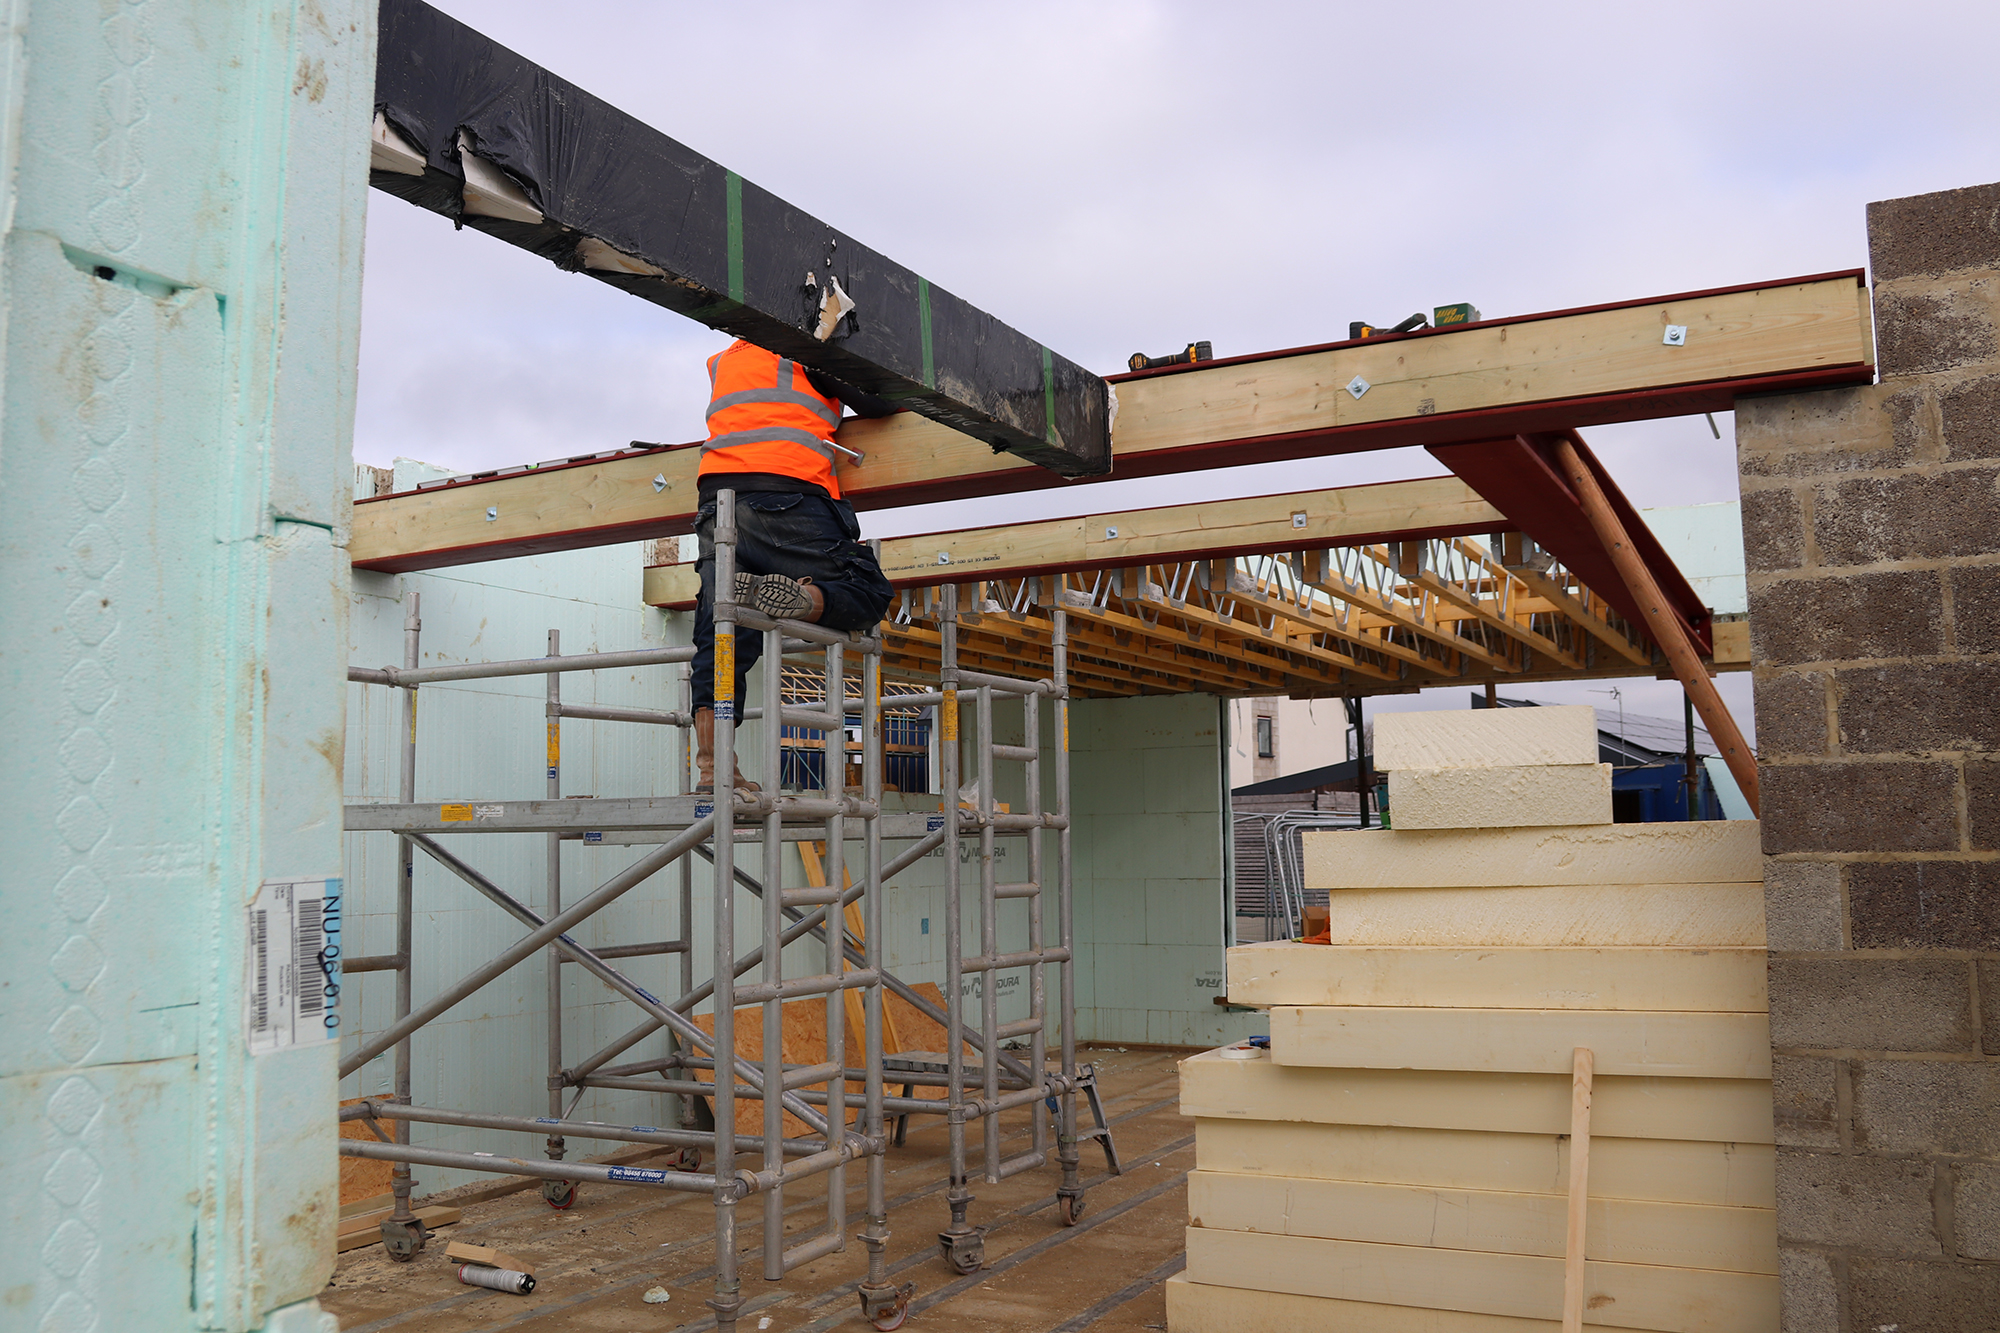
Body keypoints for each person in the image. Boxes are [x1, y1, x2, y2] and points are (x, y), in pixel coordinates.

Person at [689, 339, 897, 793]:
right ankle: (807, 599)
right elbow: (881, 402)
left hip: (715, 504)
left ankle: (712, 768)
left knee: (721, 628)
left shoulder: (725, 358)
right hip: (784, 492)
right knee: (869, 590)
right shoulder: (801, 345)